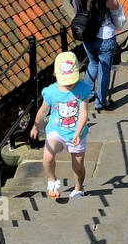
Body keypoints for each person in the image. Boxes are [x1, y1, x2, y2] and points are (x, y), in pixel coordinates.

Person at [30, 51, 91, 199]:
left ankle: (78, 187)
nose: (70, 84)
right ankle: (52, 180)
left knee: (78, 165)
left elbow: (83, 113)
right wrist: (35, 126)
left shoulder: (82, 89)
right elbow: (43, 110)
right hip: (56, 130)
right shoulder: (51, 92)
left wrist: (77, 133)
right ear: (56, 75)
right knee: (48, 156)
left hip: (76, 132)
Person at [72, 0, 126, 111]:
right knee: (104, 70)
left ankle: (87, 94)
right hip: (105, 39)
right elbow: (115, 5)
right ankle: (101, 102)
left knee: (93, 63)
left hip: (88, 37)